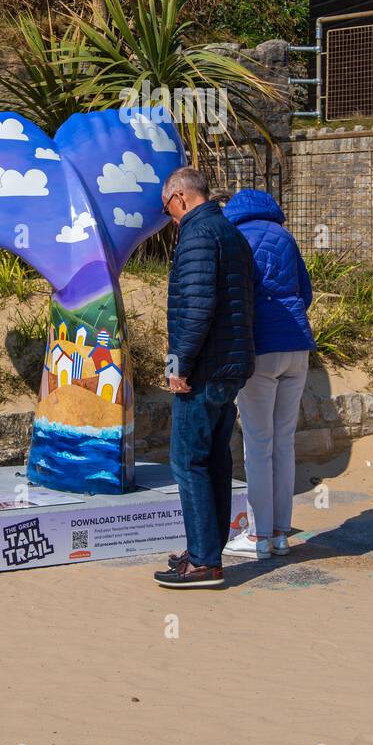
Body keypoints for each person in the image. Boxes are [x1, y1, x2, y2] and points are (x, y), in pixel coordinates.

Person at [153, 166, 254, 590]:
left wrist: (179, 365)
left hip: (204, 369)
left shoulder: (196, 235)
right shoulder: (230, 232)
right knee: (214, 461)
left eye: (166, 209)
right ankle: (207, 551)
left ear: (179, 198)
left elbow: (196, 307)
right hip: (230, 366)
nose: (168, 218)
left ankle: (203, 562)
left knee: (187, 461)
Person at [221, 188, 316, 559]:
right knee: (284, 442)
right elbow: (304, 293)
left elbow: (234, 295)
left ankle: (258, 536)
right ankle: (279, 533)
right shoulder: (285, 236)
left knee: (258, 445)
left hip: (260, 348)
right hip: (297, 344)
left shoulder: (235, 236)